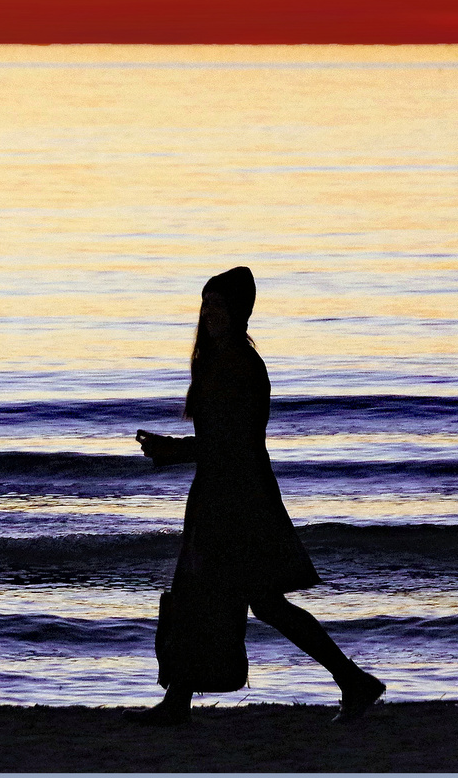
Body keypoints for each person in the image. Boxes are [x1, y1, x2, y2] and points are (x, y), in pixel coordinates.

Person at [128, 266, 384, 726]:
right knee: (218, 598)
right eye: (205, 303)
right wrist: (177, 451)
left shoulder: (240, 365)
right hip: (223, 494)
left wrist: (171, 451)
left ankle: (352, 681)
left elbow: (233, 442)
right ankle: (352, 681)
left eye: (219, 304)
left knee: (226, 597)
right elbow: (222, 443)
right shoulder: (218, 360)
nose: (210, 312)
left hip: (236, 501)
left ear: (239, 312)